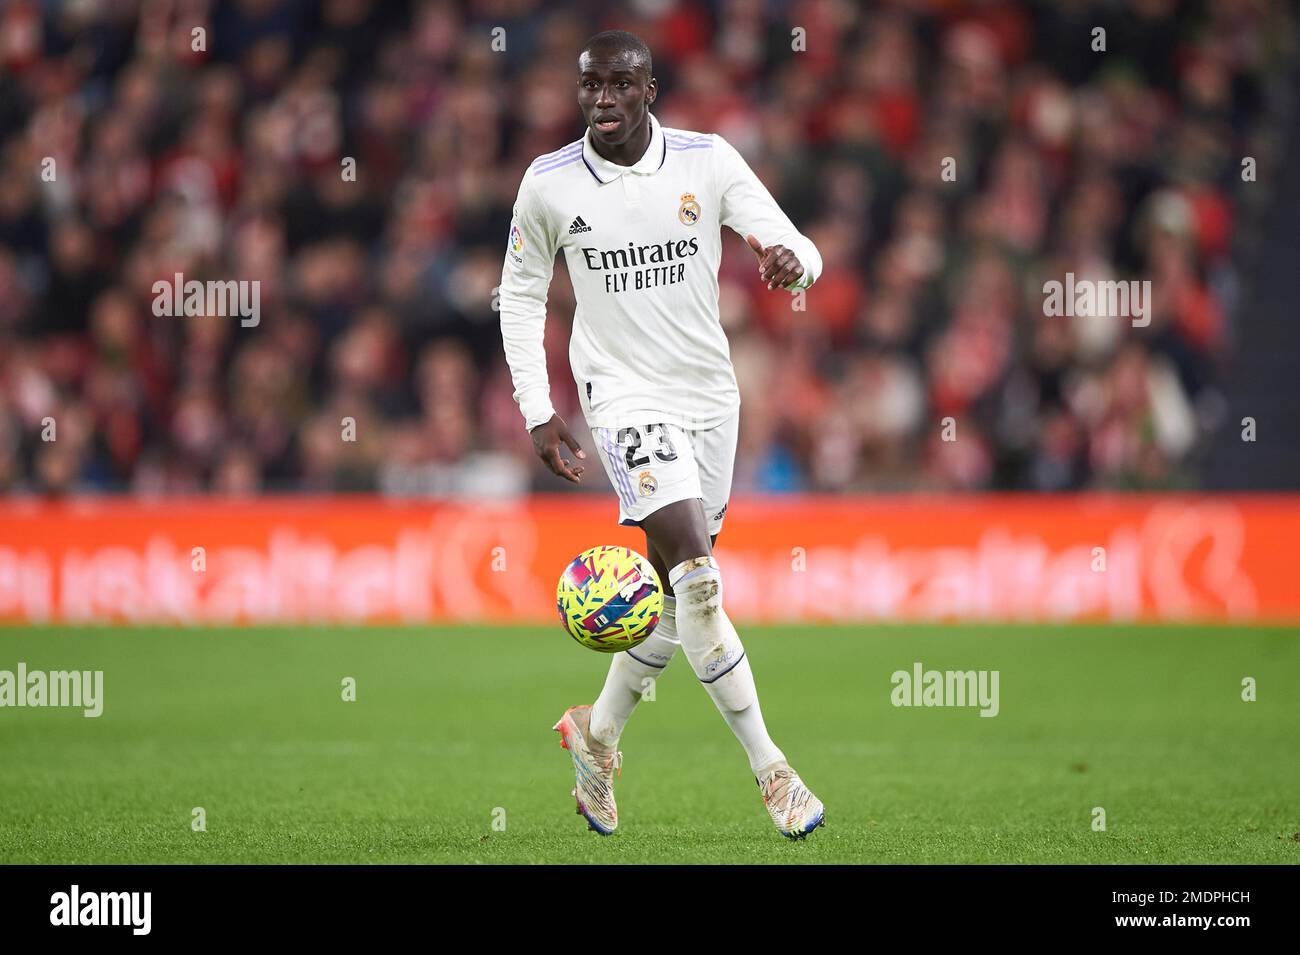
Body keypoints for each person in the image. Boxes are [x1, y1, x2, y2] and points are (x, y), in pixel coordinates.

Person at [498, 29, 825, 839]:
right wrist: (539, 408)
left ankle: (597, 732)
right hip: (621, 396)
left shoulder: (706, 161)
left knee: (677, 595)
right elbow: (518, 296)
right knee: (700, 579)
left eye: (619, 84)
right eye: (590, 86)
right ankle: (773, 770)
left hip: (711, 397)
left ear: (651, 90)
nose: (602, 99)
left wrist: (791, 262)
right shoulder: (548, 185)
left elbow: (799, 246)